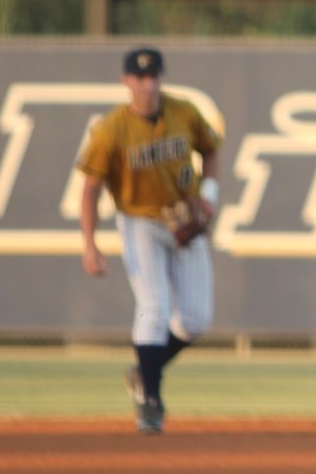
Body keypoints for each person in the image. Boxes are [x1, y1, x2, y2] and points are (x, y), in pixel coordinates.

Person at [78, 47, 220, 435]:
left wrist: (209, 196)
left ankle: (144, 371)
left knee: (195, 320)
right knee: (153, 308)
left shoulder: (184, 111)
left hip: (183, 218)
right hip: (139, 221)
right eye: (139, 77)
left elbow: (210, 151)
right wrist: (89, 243)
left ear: (161, 77)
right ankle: (151, 402)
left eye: (153, 75)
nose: (148, 84)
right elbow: (90, 188)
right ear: (126, 81)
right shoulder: (111, 129)